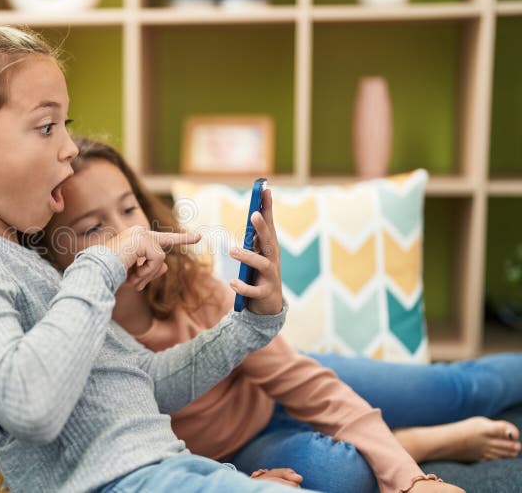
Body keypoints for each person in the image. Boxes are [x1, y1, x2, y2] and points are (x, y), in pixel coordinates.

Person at [0, 24, 310, 493]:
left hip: (172, 469)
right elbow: (28, 403)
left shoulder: (25, 259)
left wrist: (250, 324)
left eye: (64, 127)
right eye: (46, 127)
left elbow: (144, 381)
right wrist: (102, 264)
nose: (69, 148)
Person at [42, 138, 522, 492]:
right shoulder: (73, 340)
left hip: (272, 390)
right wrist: (239, 481)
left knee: (456, 388)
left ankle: (402, 446)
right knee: (339, 474)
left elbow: (300, 380)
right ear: (53, 255)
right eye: (92, 229)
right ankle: (413, 441)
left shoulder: (189, 287)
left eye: (130, 210)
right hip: (235, 453)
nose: (129, 235)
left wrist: (411, 482)